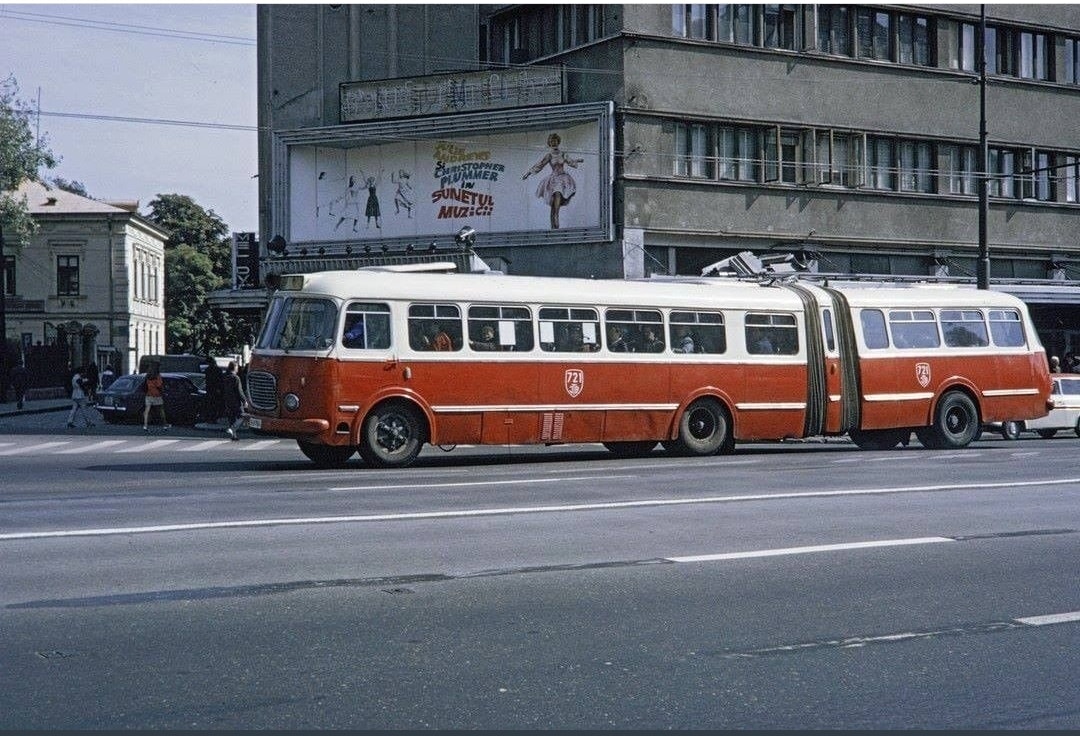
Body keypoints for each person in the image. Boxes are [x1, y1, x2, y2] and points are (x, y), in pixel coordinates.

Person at [522, 132, 584, 229]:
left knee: (557, 198)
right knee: (555, 199)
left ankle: (556, 220)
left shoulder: (563, 154)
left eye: (555, 141)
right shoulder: (549, 155)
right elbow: (540, 165)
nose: (553, 143)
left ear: (558, 141)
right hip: (554, 179)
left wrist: (577, 160)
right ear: (549, 143)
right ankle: (554, 223)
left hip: (563, 179)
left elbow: (570, 162)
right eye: (551, 142)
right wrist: (528, 173)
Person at [222, 361, 250, 441]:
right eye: (237, 367)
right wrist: (244, 401)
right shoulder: (236, 378)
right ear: (234, 367)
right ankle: (232, 429)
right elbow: (239, 391)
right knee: (242, 416)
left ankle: (234, 436)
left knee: (231, 418)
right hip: (236, 401)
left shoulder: (225, 377)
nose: (238, 369)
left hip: (227, 400)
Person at [142, 362, 169, 431]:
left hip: (148, 395)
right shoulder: (157, 375)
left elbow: (145, 384)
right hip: (157, 395)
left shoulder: (148, 375)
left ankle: (145, 425)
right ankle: (164, 425)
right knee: (161, 410)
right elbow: (159, 385)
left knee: (147, 410)